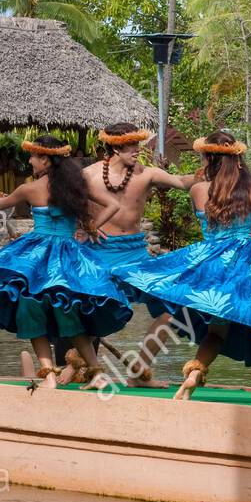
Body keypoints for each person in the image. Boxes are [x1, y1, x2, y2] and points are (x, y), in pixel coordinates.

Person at [121, 130, 251, 405]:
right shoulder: (249, 187)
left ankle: (192, 378)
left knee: (217, 330)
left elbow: (211, 224)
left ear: (207, 157)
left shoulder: (197, 190)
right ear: (237, 159)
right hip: (248, 263)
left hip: (212, 262)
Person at [0, 136, 132, 388]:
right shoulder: (77, 187)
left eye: (33, 156)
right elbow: (112, 204)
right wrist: (90, 229)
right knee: (70, 316)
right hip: (68, 257)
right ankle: (97, 374)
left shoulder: (29, 189)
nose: (30, 161)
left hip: (38, 258)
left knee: (31, 314)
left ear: (45, 159)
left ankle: (50, 376)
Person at [81, 122, 197, 387]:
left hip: (136, 254)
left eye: (137, 144)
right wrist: (81, 227)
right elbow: (66, 200)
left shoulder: (147, 174)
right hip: (99, 253)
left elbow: (181, 182)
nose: (137, 150)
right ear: (115, 147)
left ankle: (139, 372)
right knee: (89, 311)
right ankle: (90, 373)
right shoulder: (88, 175)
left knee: (171, 308)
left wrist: (211, 172)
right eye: (132, 145)